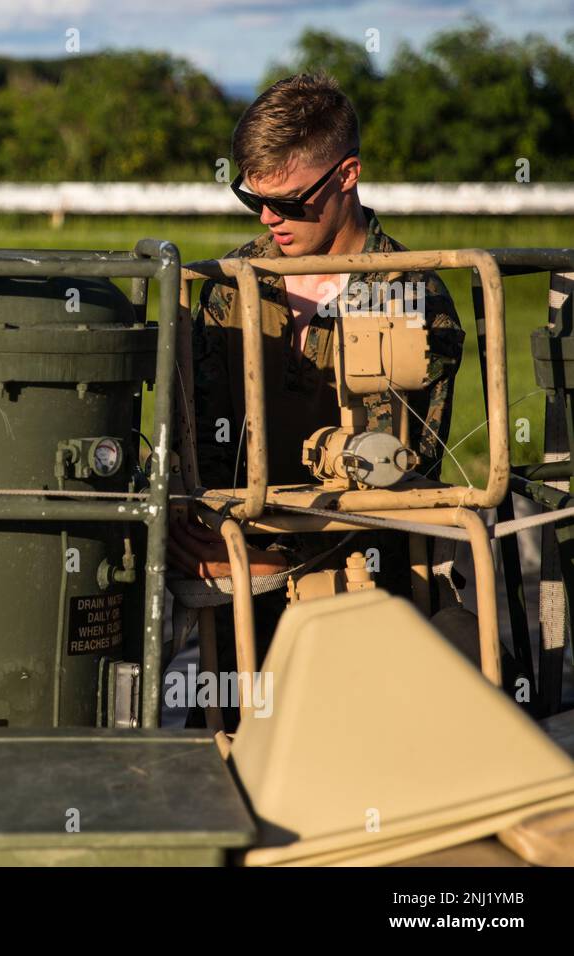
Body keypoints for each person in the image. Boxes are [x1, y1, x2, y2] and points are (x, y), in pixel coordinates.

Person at [170, 74, 465, 722]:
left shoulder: (412, 297)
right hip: (234, 602)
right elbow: (198, 459)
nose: (271, 219)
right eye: (254, 200)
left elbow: (402, 491)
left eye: (291, 202)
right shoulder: (224, 286)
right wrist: (198, 531)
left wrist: (268, 558)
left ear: (348, 175)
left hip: (363, 603)